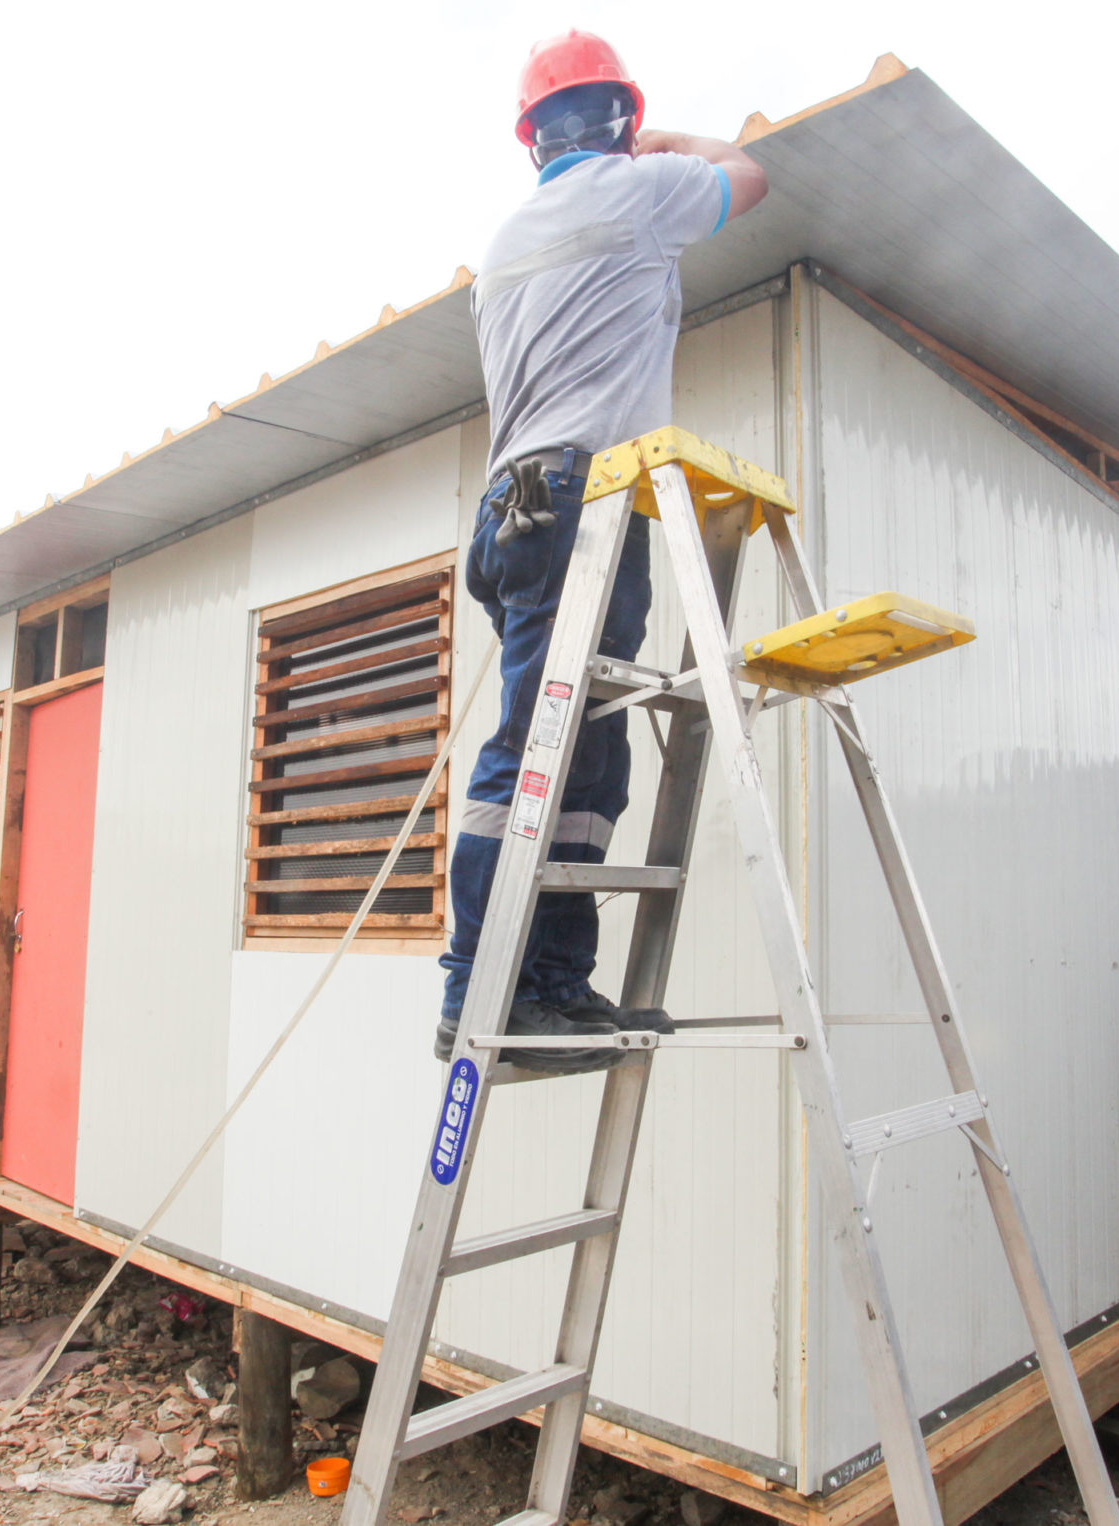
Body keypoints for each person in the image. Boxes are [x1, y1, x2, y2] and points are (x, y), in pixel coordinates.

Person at [436, 31, 768, 1070]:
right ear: (618, 120)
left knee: (583, 756)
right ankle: (475, 989)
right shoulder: (639, 190)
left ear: (532, 140)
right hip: (577, 505)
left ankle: (551, 986)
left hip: (517, 515)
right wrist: (664, 141)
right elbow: (751, 172)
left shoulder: (502, 242)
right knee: (536, 751)